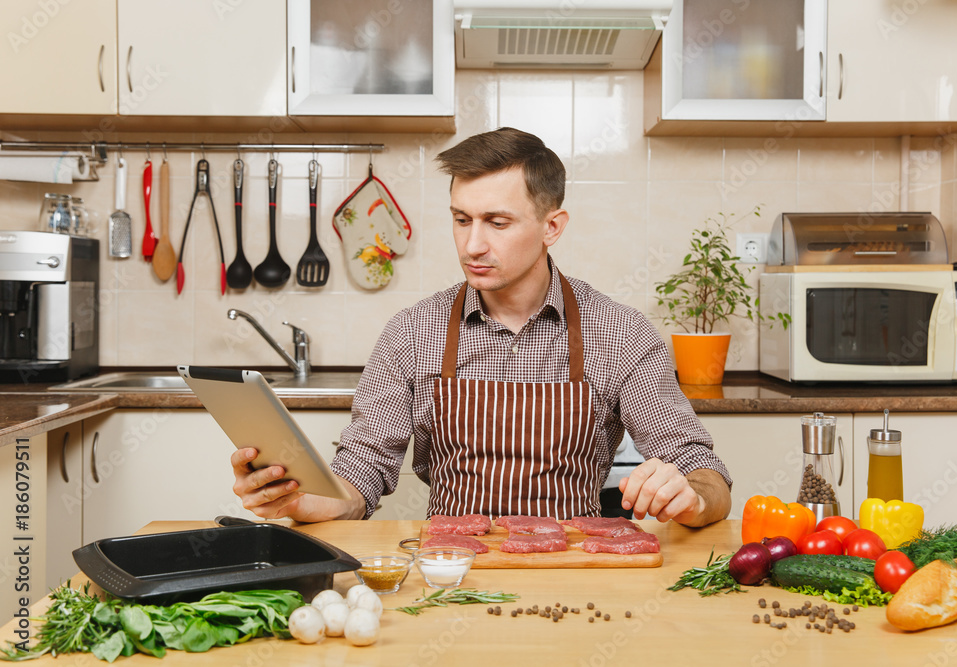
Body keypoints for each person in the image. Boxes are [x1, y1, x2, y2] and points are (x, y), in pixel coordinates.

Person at [231, 127, 732, 527]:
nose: (472, 245)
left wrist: (690, 498)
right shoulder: (412, 332)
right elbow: (363, 470)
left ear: (551, 227)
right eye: (461, 219)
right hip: (450, 574)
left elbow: (703, 474)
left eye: (497, 222)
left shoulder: (621, 333)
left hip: (576, 571)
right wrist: (305, 501)